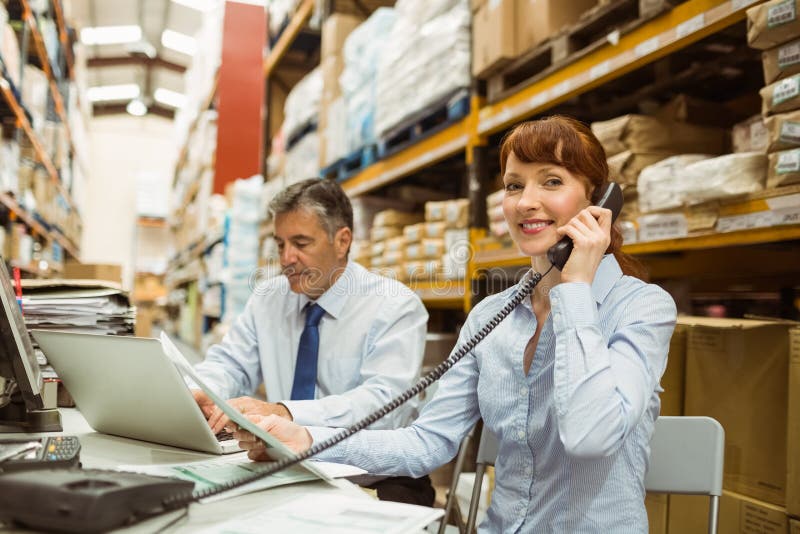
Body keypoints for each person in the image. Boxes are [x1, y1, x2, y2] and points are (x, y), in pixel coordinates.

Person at [235, 116, 678, 532]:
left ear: (598, 202)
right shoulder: (491, 317)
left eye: (552, 182)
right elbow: (428, 441)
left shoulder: (642, 308)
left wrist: (576, 289)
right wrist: (306, 437)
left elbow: (590, 436)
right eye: (513, 185)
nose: (525, 202)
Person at [191, 178, 434, 506]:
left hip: (372, 478)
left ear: (342, 240)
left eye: (301, 243)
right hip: (285, 464)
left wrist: (287, 413)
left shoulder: (395, 306)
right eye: (280, 244)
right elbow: (231, 362)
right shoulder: (269, 298)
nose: (286, 258)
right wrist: (205, 389)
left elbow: (382, 406)